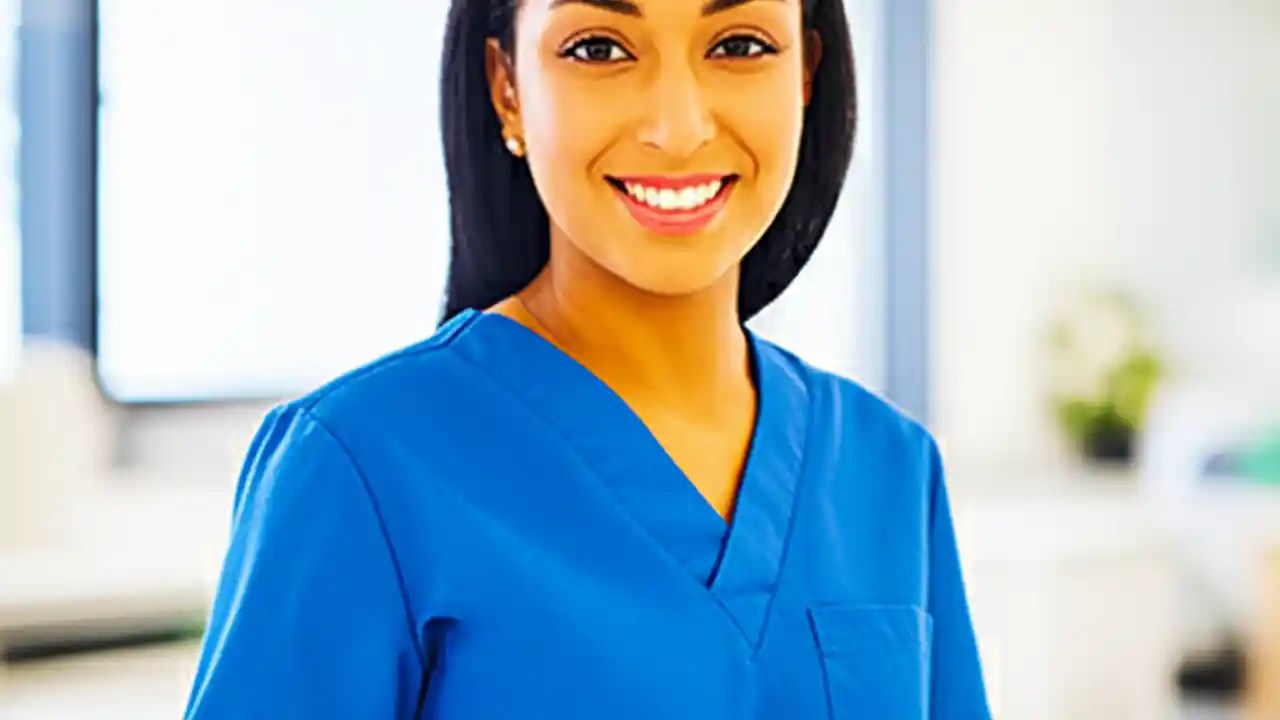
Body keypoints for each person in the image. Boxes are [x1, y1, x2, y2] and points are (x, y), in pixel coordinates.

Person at [183, 0, 990, 717]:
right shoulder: (360, 467)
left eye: (739, 45)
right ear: (506, 87)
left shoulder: (889, 469)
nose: (679, 128)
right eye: (599, 48)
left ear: (807, 73)